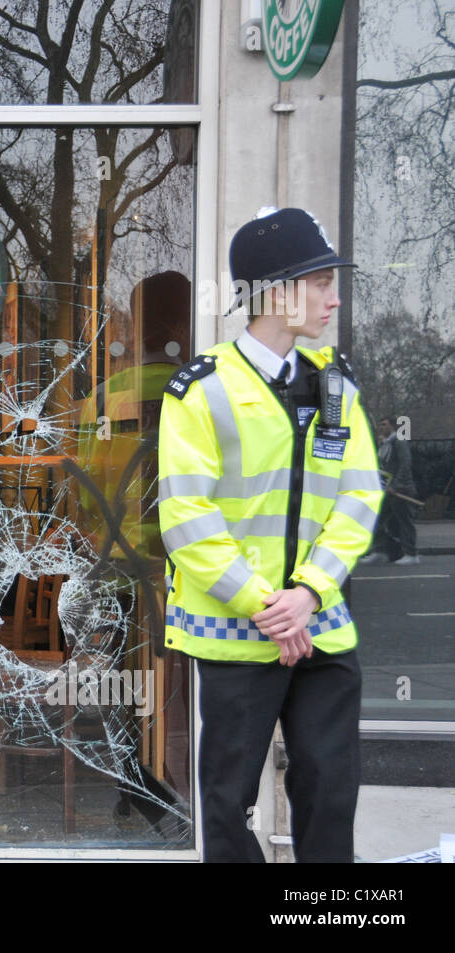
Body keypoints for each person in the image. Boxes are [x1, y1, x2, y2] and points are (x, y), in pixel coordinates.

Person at [157, 207, 383, 862]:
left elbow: (359, 494)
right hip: (237, 631)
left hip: (322, 628)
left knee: (331, 789)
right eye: (321, 281)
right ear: (277, 290)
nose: (334, 297)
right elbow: (187, 516)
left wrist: (308, 593)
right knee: (228, 802)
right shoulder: (202, 389)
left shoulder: (336, 383)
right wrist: (268, 605)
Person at [359, 415, 420, 565]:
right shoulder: (385, 444)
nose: (381, 428)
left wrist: (396, 486)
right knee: (376, 518)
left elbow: (405, 465)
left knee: (404, 521)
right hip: (386, 489)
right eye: (380, 425)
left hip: (401, 490)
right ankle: (380, 551)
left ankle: (411, 554)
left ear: (393, 426)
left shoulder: (399, 441)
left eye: (385, 425)